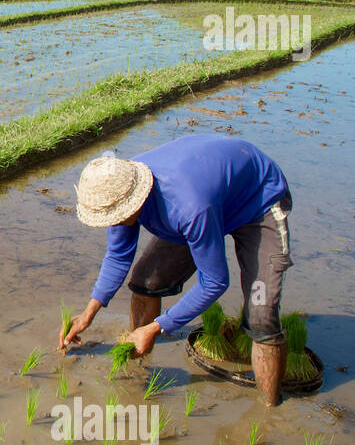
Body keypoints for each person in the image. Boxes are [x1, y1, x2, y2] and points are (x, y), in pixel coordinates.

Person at [59, 134, 293, 406]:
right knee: (146, 281)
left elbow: (215, 282)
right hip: (209, 195)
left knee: (261, 316)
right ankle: (138, 364)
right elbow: (118, 254)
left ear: (135, 200)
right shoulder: (117, 187)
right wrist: (89, 313)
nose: (116, 223)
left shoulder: (188, 207)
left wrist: (158, 327)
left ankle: (269, 412)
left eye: (118, 216)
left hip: (257, 200)